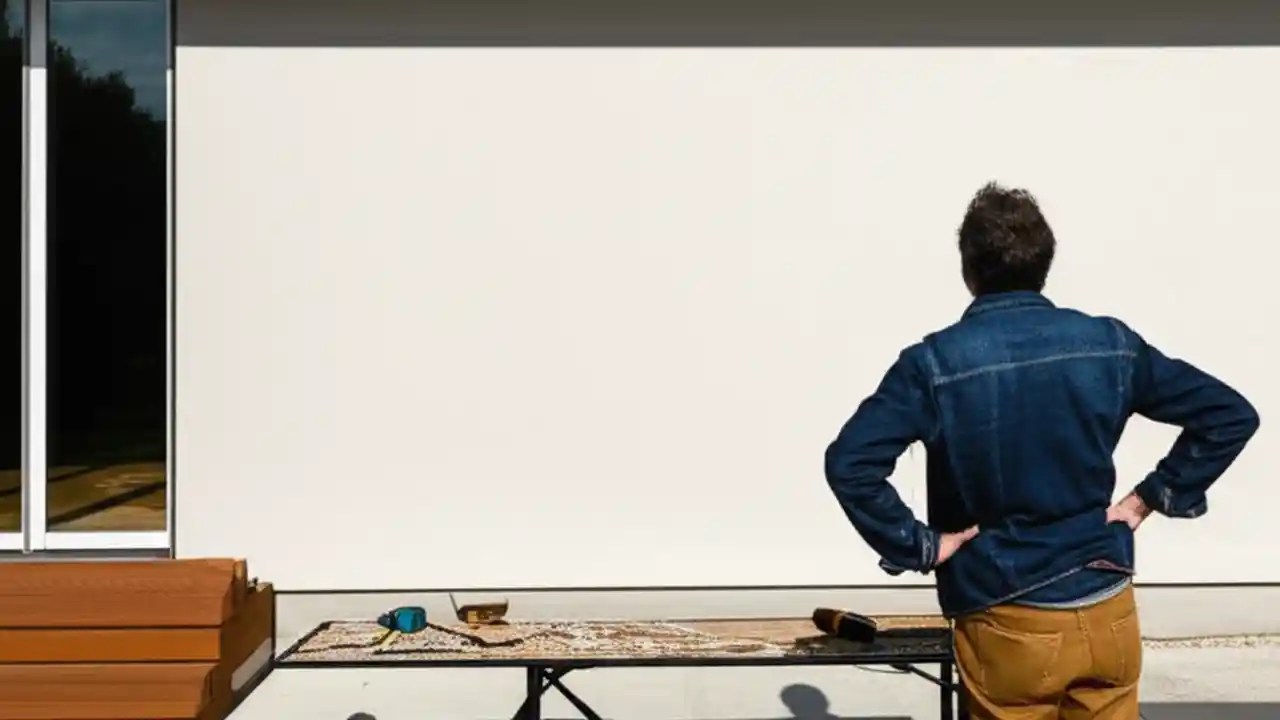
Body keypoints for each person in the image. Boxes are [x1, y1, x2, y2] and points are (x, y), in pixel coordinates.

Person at [823, 182, 1260, 720]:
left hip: (1006, 618)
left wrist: (923, 545)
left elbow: (850, 464)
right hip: (1108, 611)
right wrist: (1148, 499)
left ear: (968, 270)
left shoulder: (933, 364)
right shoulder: (1110, 343)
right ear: (1044, 264)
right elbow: (1229, 414)